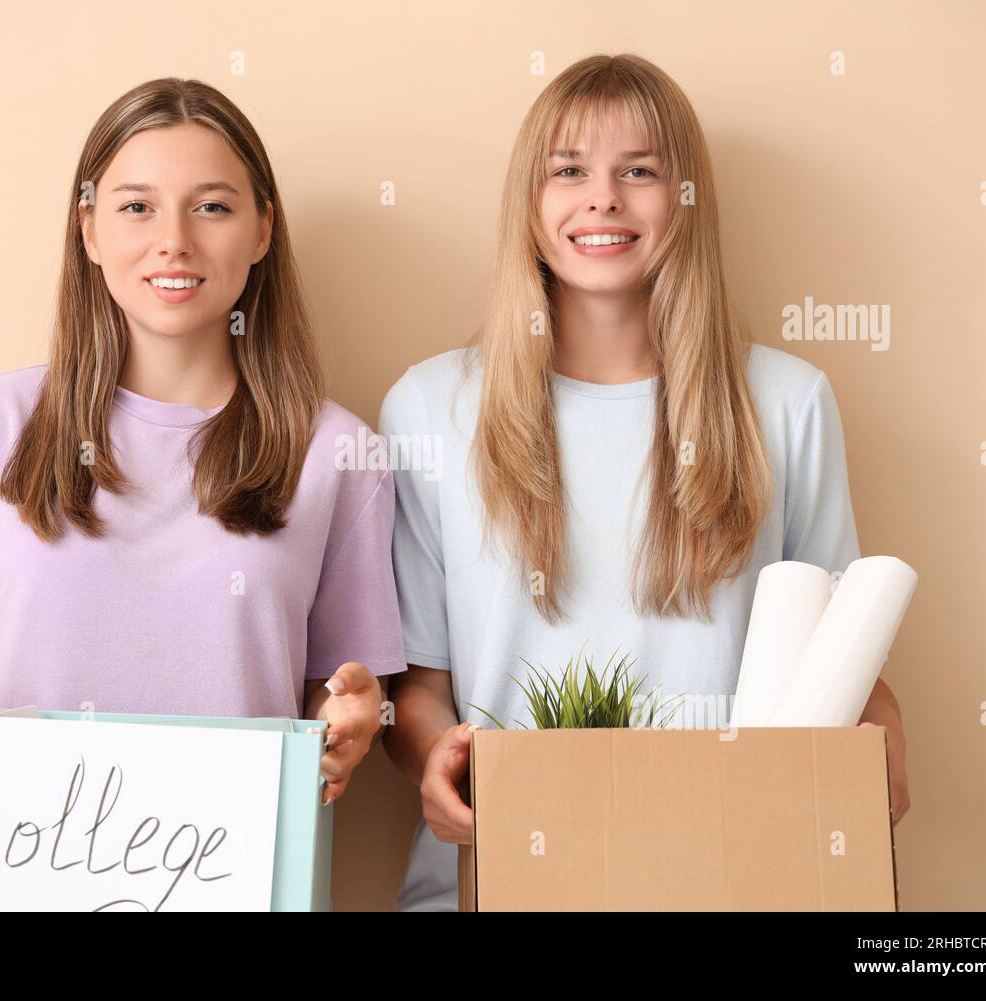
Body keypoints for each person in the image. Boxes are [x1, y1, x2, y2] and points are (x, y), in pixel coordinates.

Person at [379, 53, 909, 911]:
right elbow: (420, 691)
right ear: (530, 200)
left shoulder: (785, 402)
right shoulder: (431, 406)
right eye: (569, 171)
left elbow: (844, 658)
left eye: (640, 172)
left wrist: (882, 739)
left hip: (736, 877)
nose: (603, 199)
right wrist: (437, 760)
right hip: (500, 872)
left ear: (685, 200)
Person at [0, 78, 406, 807]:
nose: (174, 241)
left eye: (212, 206)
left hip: (233, 866)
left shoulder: (341, 455)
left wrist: (349, 719)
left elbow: (337, 695)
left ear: (262, 230)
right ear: (89, 230)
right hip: (13, 857)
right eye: (136, 207)